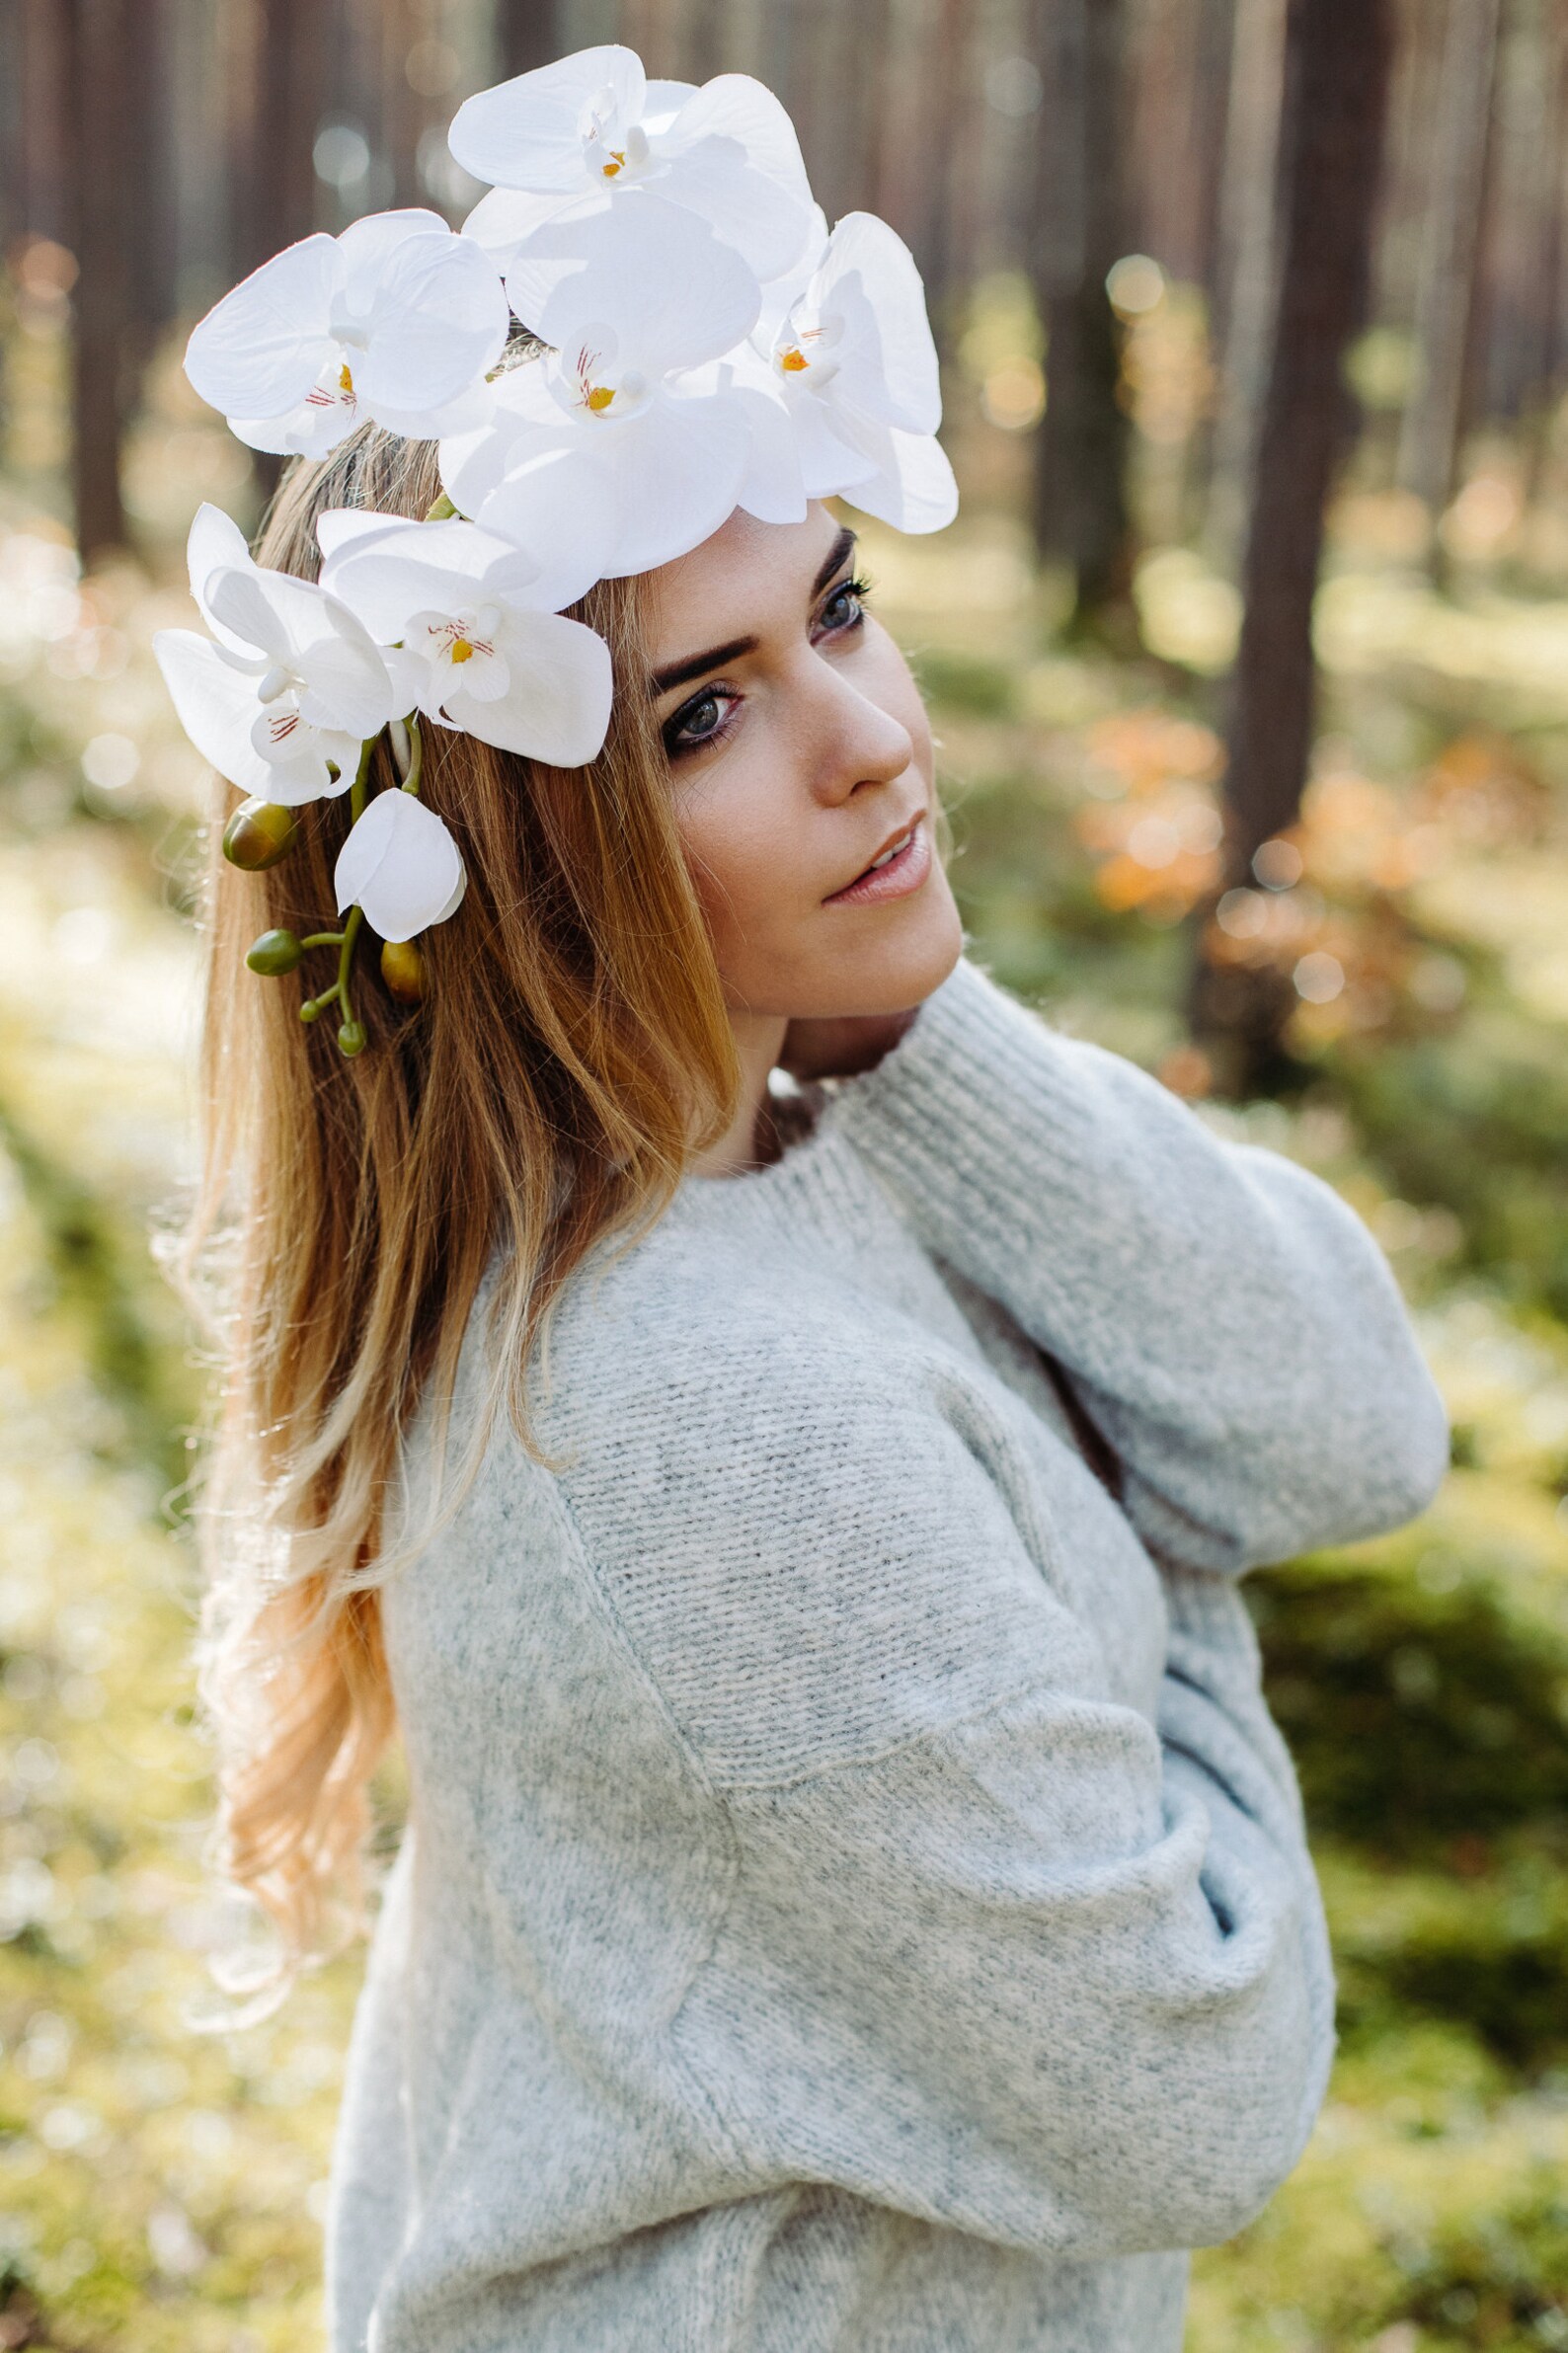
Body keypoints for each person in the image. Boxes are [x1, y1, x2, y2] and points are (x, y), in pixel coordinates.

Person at [161, 46, 1450, 2353]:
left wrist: (915, 1036)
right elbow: (1186, 2086)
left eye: (837, 611)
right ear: (521, 859)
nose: (869, 738)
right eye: (698, 715)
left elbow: (1348, 1425)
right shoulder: (688, 1420)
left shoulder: (787, 1133)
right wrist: (1163, 1543)